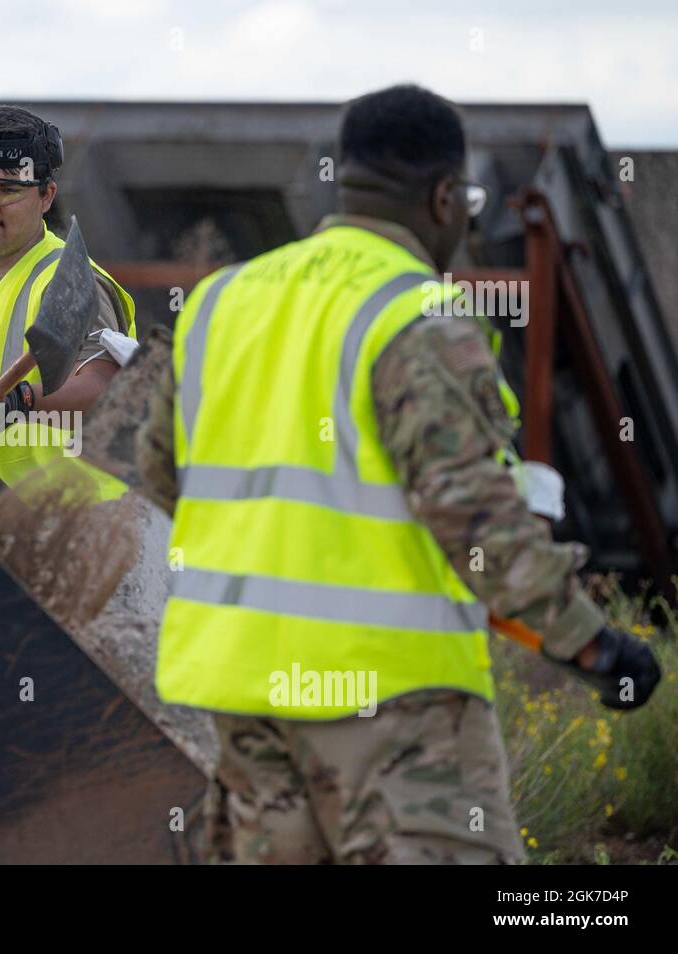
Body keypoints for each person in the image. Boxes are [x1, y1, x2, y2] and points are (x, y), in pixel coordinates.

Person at [136, 84, 661, 864]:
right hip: (391, 704)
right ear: (445, 197)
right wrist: (591, 646)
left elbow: (163, 478)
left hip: (239, 688)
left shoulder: (223, 302)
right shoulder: (415, 316)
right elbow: (472, 514)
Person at [0, 105, 136, 489]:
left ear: (46, 196)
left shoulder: (72, 282)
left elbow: (106, 390)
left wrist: (21, 400)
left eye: (8, 190)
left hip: (70, 528)